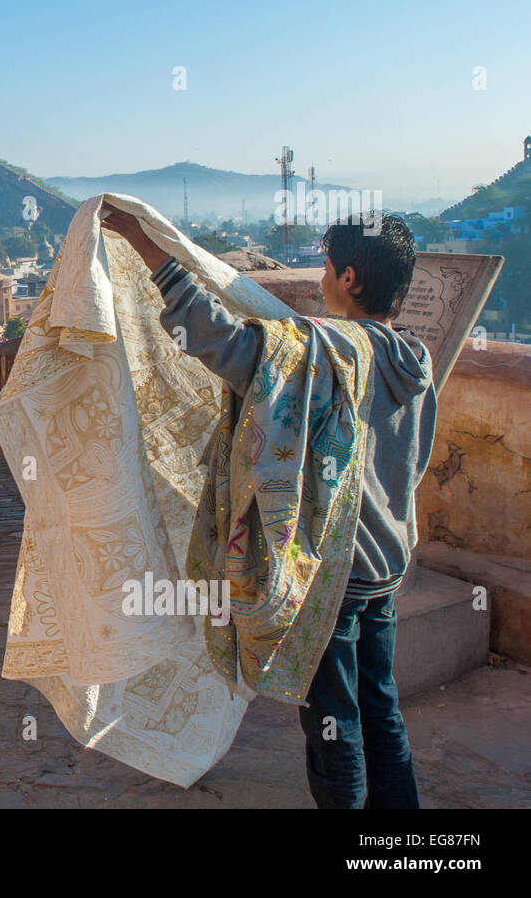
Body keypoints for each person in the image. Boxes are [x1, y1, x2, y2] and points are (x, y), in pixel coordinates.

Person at [102, 205, 437, 809]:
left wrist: (139, 243)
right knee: (380, 706)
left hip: (332, 578)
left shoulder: (324, 351)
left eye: (329, 267)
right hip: (386, 566)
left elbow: (221, 341)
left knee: (334, 726)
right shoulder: (414, 360)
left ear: (351, 278)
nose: (321, 280)